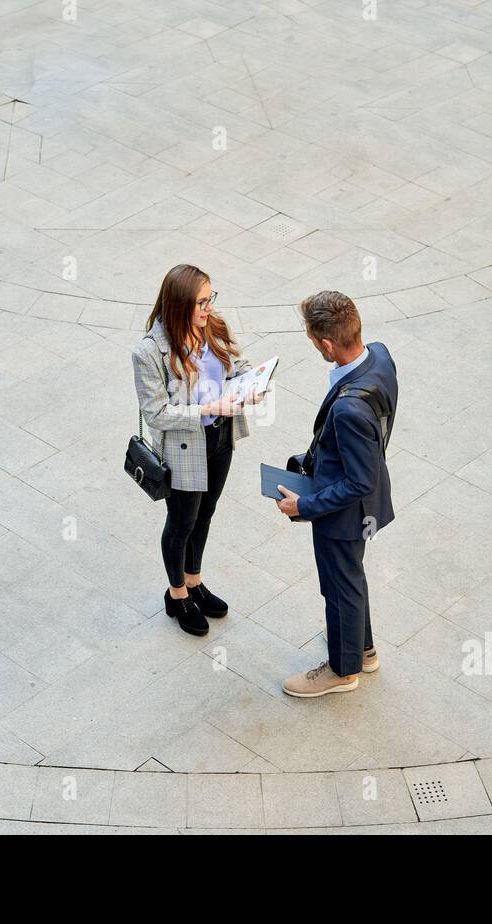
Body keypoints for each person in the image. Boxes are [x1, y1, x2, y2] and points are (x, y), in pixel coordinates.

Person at [274, 291, 398, 696]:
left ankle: (342, 672)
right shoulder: (379, 355)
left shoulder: (348, 410)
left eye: (312, 338)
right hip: (363, 509)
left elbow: (361, 481)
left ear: (327, 345)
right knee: (351, 579)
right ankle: (362, 649)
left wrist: (304, 505)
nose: (312, 343)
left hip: (344, 515)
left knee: (337, 587)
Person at [132, 264, 265, 636]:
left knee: (205, 514)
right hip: (185, 446)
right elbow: (156, 413)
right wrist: (207, 408)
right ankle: (176, 595)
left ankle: (194, 581)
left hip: (220, 437)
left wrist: (250, 382)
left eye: (211, 299)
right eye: (202, 302)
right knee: (181, 522)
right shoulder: (149, 352)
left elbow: (235, 363)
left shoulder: (211, 326)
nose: (209, 308)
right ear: (179, 305)